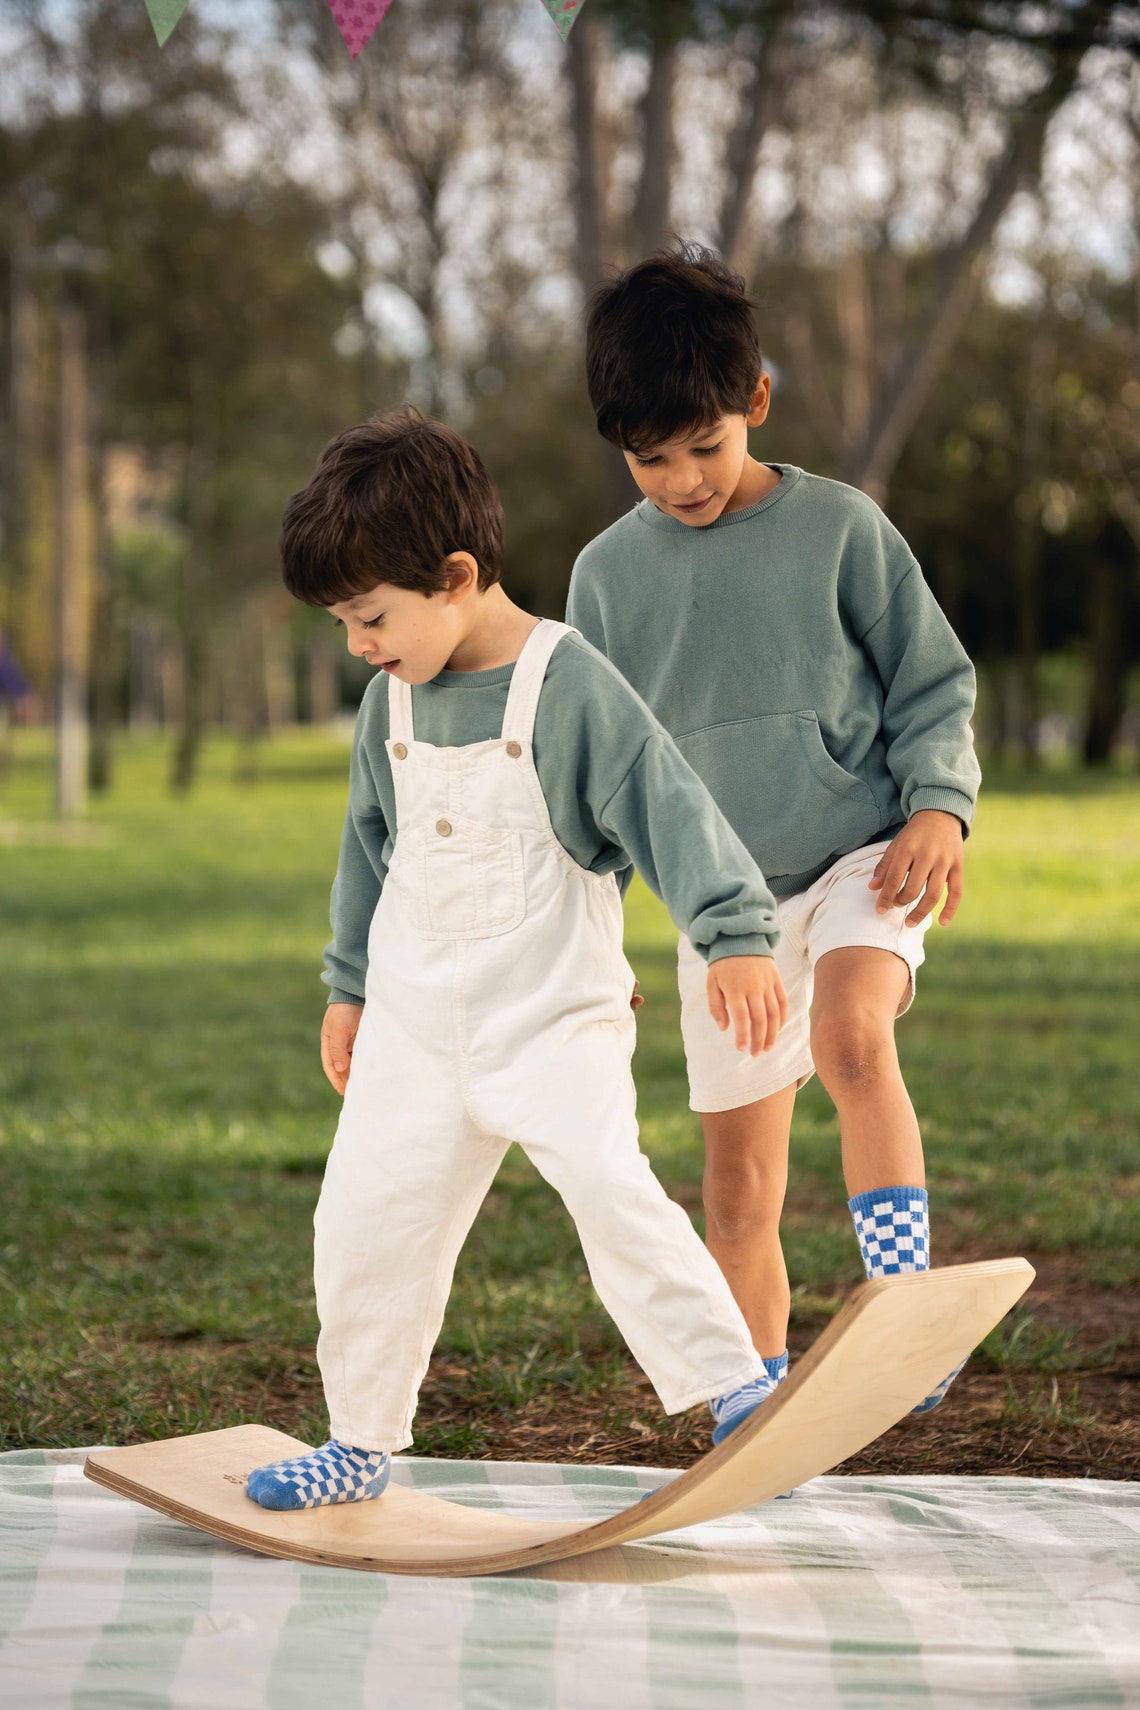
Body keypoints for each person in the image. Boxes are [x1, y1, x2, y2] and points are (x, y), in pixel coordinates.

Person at [245, 407, 791, 1512]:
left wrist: (733, 933)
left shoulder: (568, 685)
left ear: (452, 576)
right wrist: (346, 987)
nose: (359, 643)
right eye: (347, 624)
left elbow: (665, 809)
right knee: (362, 1219)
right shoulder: (387, 701)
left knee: (607, 1185)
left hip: (550, 1021)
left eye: (369, 616)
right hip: (411, 1030)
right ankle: (358, 1438)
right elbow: (368, 849)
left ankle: (737, 1391)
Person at [567, 243, 981, 1418]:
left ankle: (903, 1309)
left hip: (865, 857)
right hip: (722, 908)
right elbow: (599, 781)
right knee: (738, 1191)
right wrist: (597, 948)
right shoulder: (606, 581)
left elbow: (931, 682)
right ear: (621, 448)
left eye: (705, 444)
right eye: (653, 459)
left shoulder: (841, 529)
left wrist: (941, 805)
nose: (685, 478)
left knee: (853, 1035)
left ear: (755, 403)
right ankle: (758, 1406)